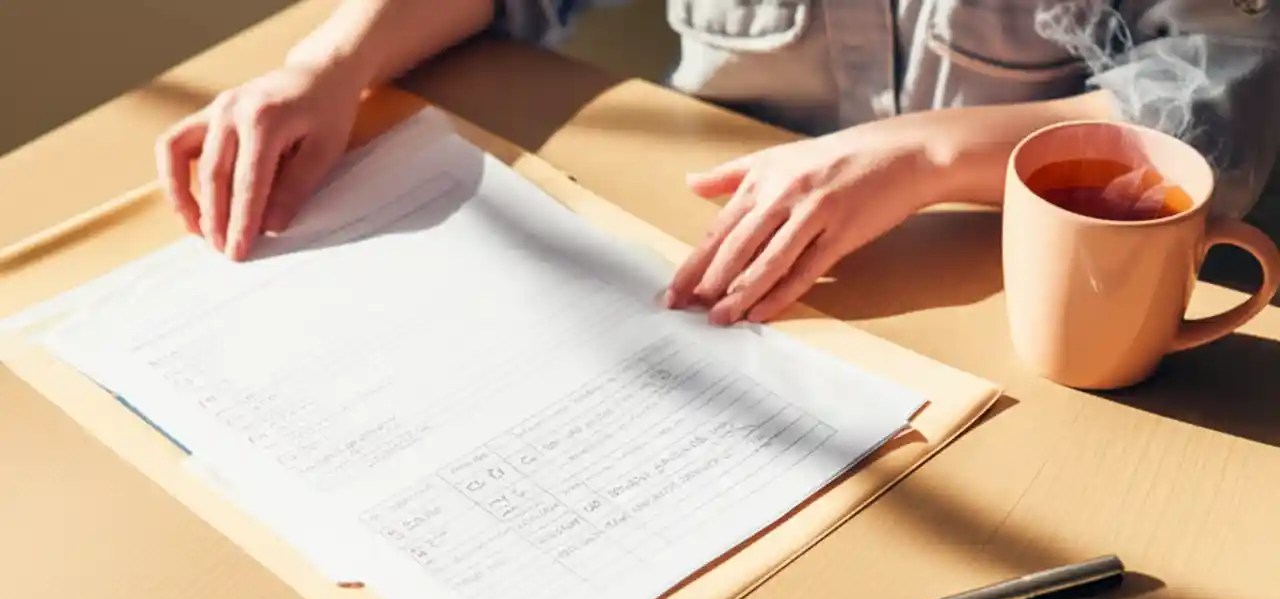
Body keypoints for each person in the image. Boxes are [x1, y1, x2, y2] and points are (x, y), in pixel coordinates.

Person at [156, 0, 1278, 325]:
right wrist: (326, 64)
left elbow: (1222, 86)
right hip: (717, 255)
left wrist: (928, 151)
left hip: (1020, 283)